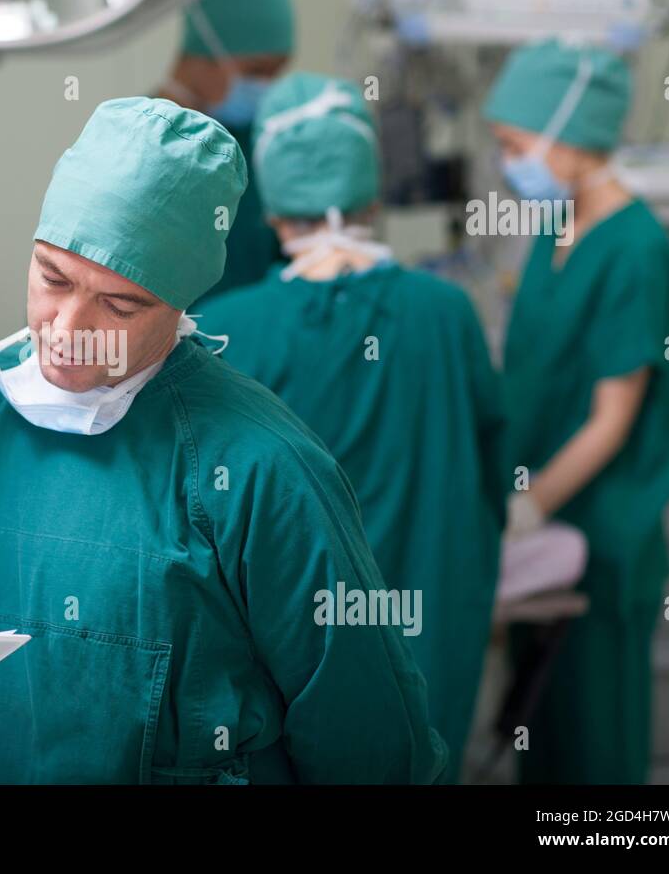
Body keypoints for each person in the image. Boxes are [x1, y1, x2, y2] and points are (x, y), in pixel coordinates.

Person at [0, 96, 447, 784]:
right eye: (52, 278)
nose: (68, 328)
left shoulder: (260, 466)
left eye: (120, 305)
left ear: (181, 303)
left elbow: (372, 742)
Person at [202, 72, 506, 781]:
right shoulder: (446, 313)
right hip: (432, 627)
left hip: (289, 654)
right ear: (374, 198)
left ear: (272, 212)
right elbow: (493, 470)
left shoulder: (228, 331)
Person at [484, 38, 669, 783]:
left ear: (566, 134)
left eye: (515, 146)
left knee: (595, 750)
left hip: (601, 534)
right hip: (548, 530)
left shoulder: (635, 249)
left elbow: (612, 418)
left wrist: (529, 507)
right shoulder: (557, 230)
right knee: (543, 739)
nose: (511, 166)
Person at [155, 0, 293, 303]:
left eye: (278, 73)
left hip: (254, 353)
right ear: (205, 51)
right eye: (256, 71)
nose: (267, 87)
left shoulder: (262, 147)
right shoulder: (135, 143)